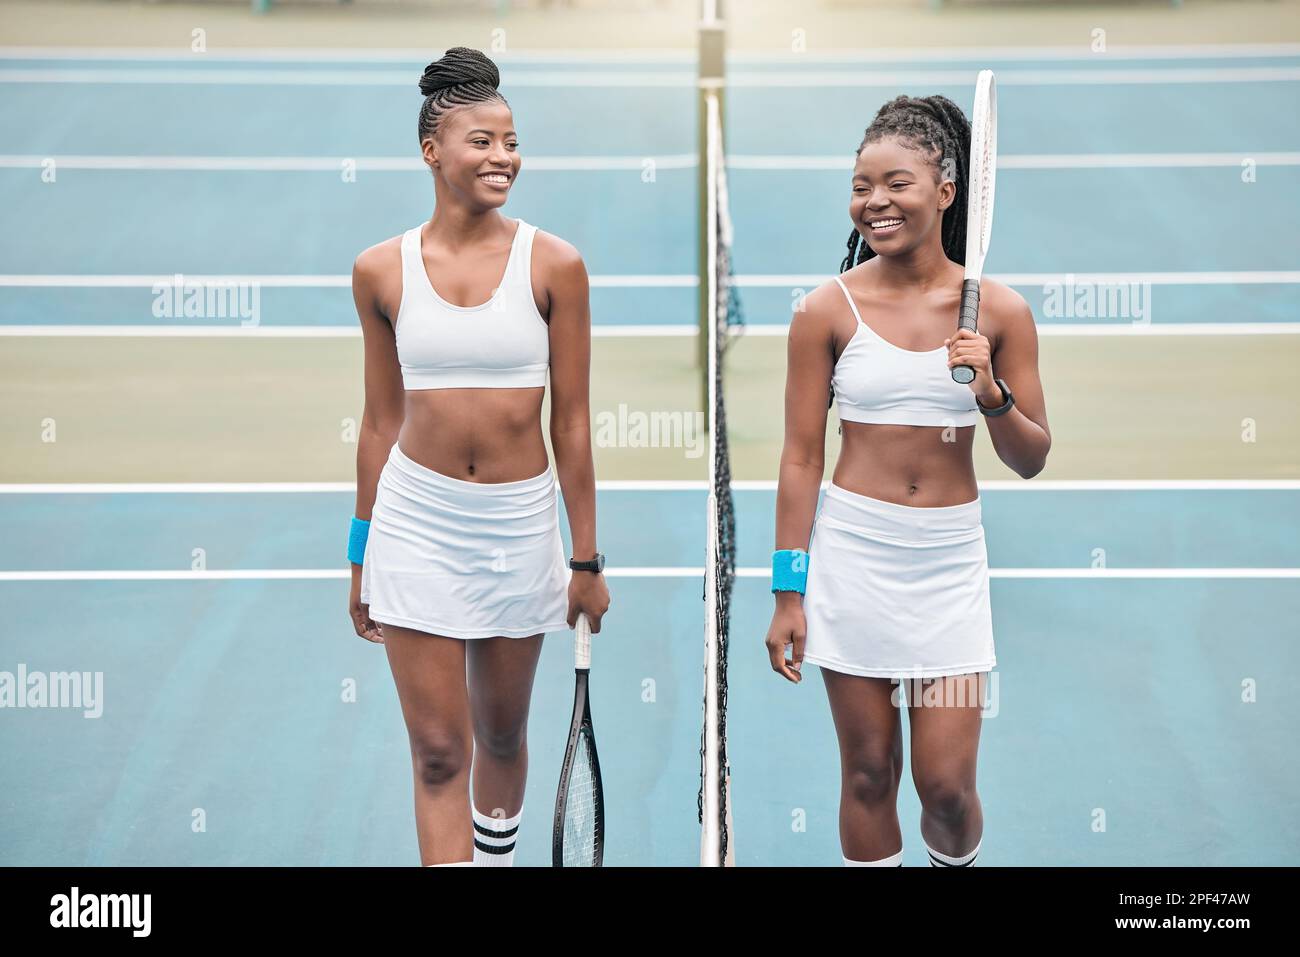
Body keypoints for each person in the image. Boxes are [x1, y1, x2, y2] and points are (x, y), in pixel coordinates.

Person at [764, 94, 1050, 867]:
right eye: (862, 185)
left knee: (948, 789)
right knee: (865, 775)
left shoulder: (1001, 312)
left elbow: (1030, 456)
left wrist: (991, 391)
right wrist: (788, 590)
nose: (875, 202)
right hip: (854, 563)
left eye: (897, 183)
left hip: (951, 572)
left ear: (947, 190)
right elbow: (799, 456)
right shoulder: (825, 311)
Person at [347, 47, 610, 867]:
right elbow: (379, 421)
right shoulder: (379, 270)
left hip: (517, 527)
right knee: (436, 753)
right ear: (433, 151)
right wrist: (360, 557)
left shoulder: (555, 264)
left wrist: (587, 557)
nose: (503, 157)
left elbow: (572, 425)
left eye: (511, 141)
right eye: (482, 141)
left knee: (501, 732)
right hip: (415, 524)